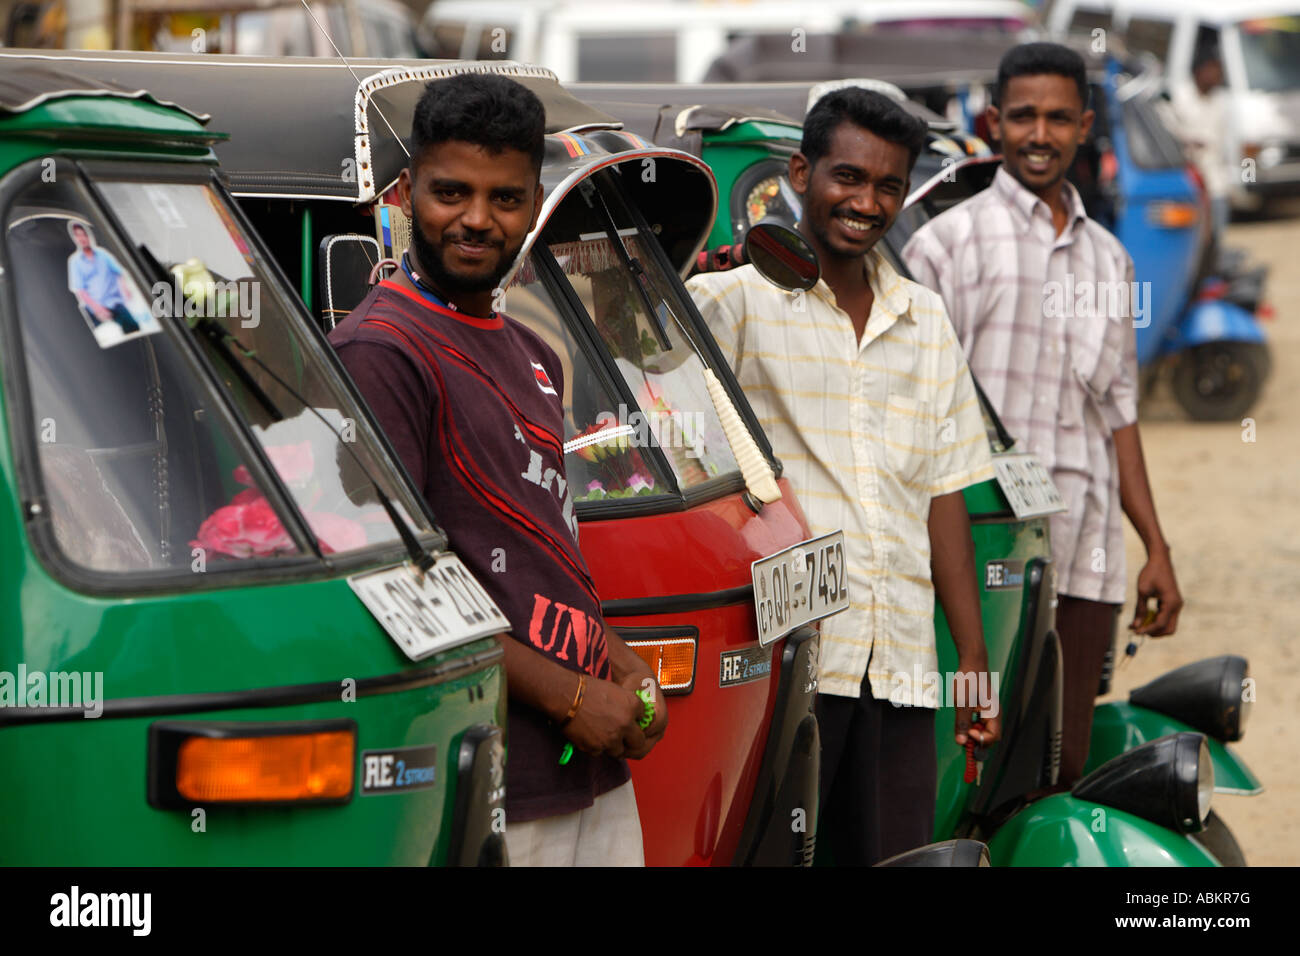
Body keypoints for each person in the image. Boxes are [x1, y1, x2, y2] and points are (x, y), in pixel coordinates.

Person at [329, 74, 666, 866]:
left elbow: (538, 548)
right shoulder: (382, 352)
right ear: (407, 193)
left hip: (590, 768)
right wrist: (573, 696)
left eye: (505, 199)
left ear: (535, 201)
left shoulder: (535, 354)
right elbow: (397, 594)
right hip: (486, 774)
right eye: (451, 192)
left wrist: (611, 655)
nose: (477, 220)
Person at [688, 88, 1001, 865]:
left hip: (899, 666)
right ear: (800, 172)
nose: (866, 203)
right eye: (847, 177)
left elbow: (945, 494)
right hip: (791, 667)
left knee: (899, 857)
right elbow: (680, 453)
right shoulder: (728, 304)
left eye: (887, 186)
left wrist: (971, 668)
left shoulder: (924, 320)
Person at [903, 42, 1183, 789]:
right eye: (1022, 116)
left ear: (1084, 126)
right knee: (967, 767)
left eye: (1059, 118)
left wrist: (1154, 544)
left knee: (1060, 763)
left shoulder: (1110, 262)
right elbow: (914, 417)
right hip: (980, 568)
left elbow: (1119, 413)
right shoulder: (945, 248)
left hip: (1085, 556)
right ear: (994, 123)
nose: (1039, 134)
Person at [1169, 50, 1230, 242]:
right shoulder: (1178, 97)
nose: (1216, 76)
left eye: (1218, 71)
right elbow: (1168, 134)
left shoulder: (1220, 100)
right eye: (1211, 70)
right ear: (1198, 71)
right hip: (1187, 178)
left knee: (1216, 233)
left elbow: (1223, 143)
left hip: (1215, 179)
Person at [66, 221, 140, 338]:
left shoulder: (103, 254)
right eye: (78, 235)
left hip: (115, 304)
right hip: (94, 310)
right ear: (75, 239)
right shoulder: (75, 261)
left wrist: (125, 290)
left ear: (89, 235)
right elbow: (80, 290)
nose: (82, 238)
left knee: (134, 330)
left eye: (83, 234)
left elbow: (119, 273)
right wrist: (98, 309)